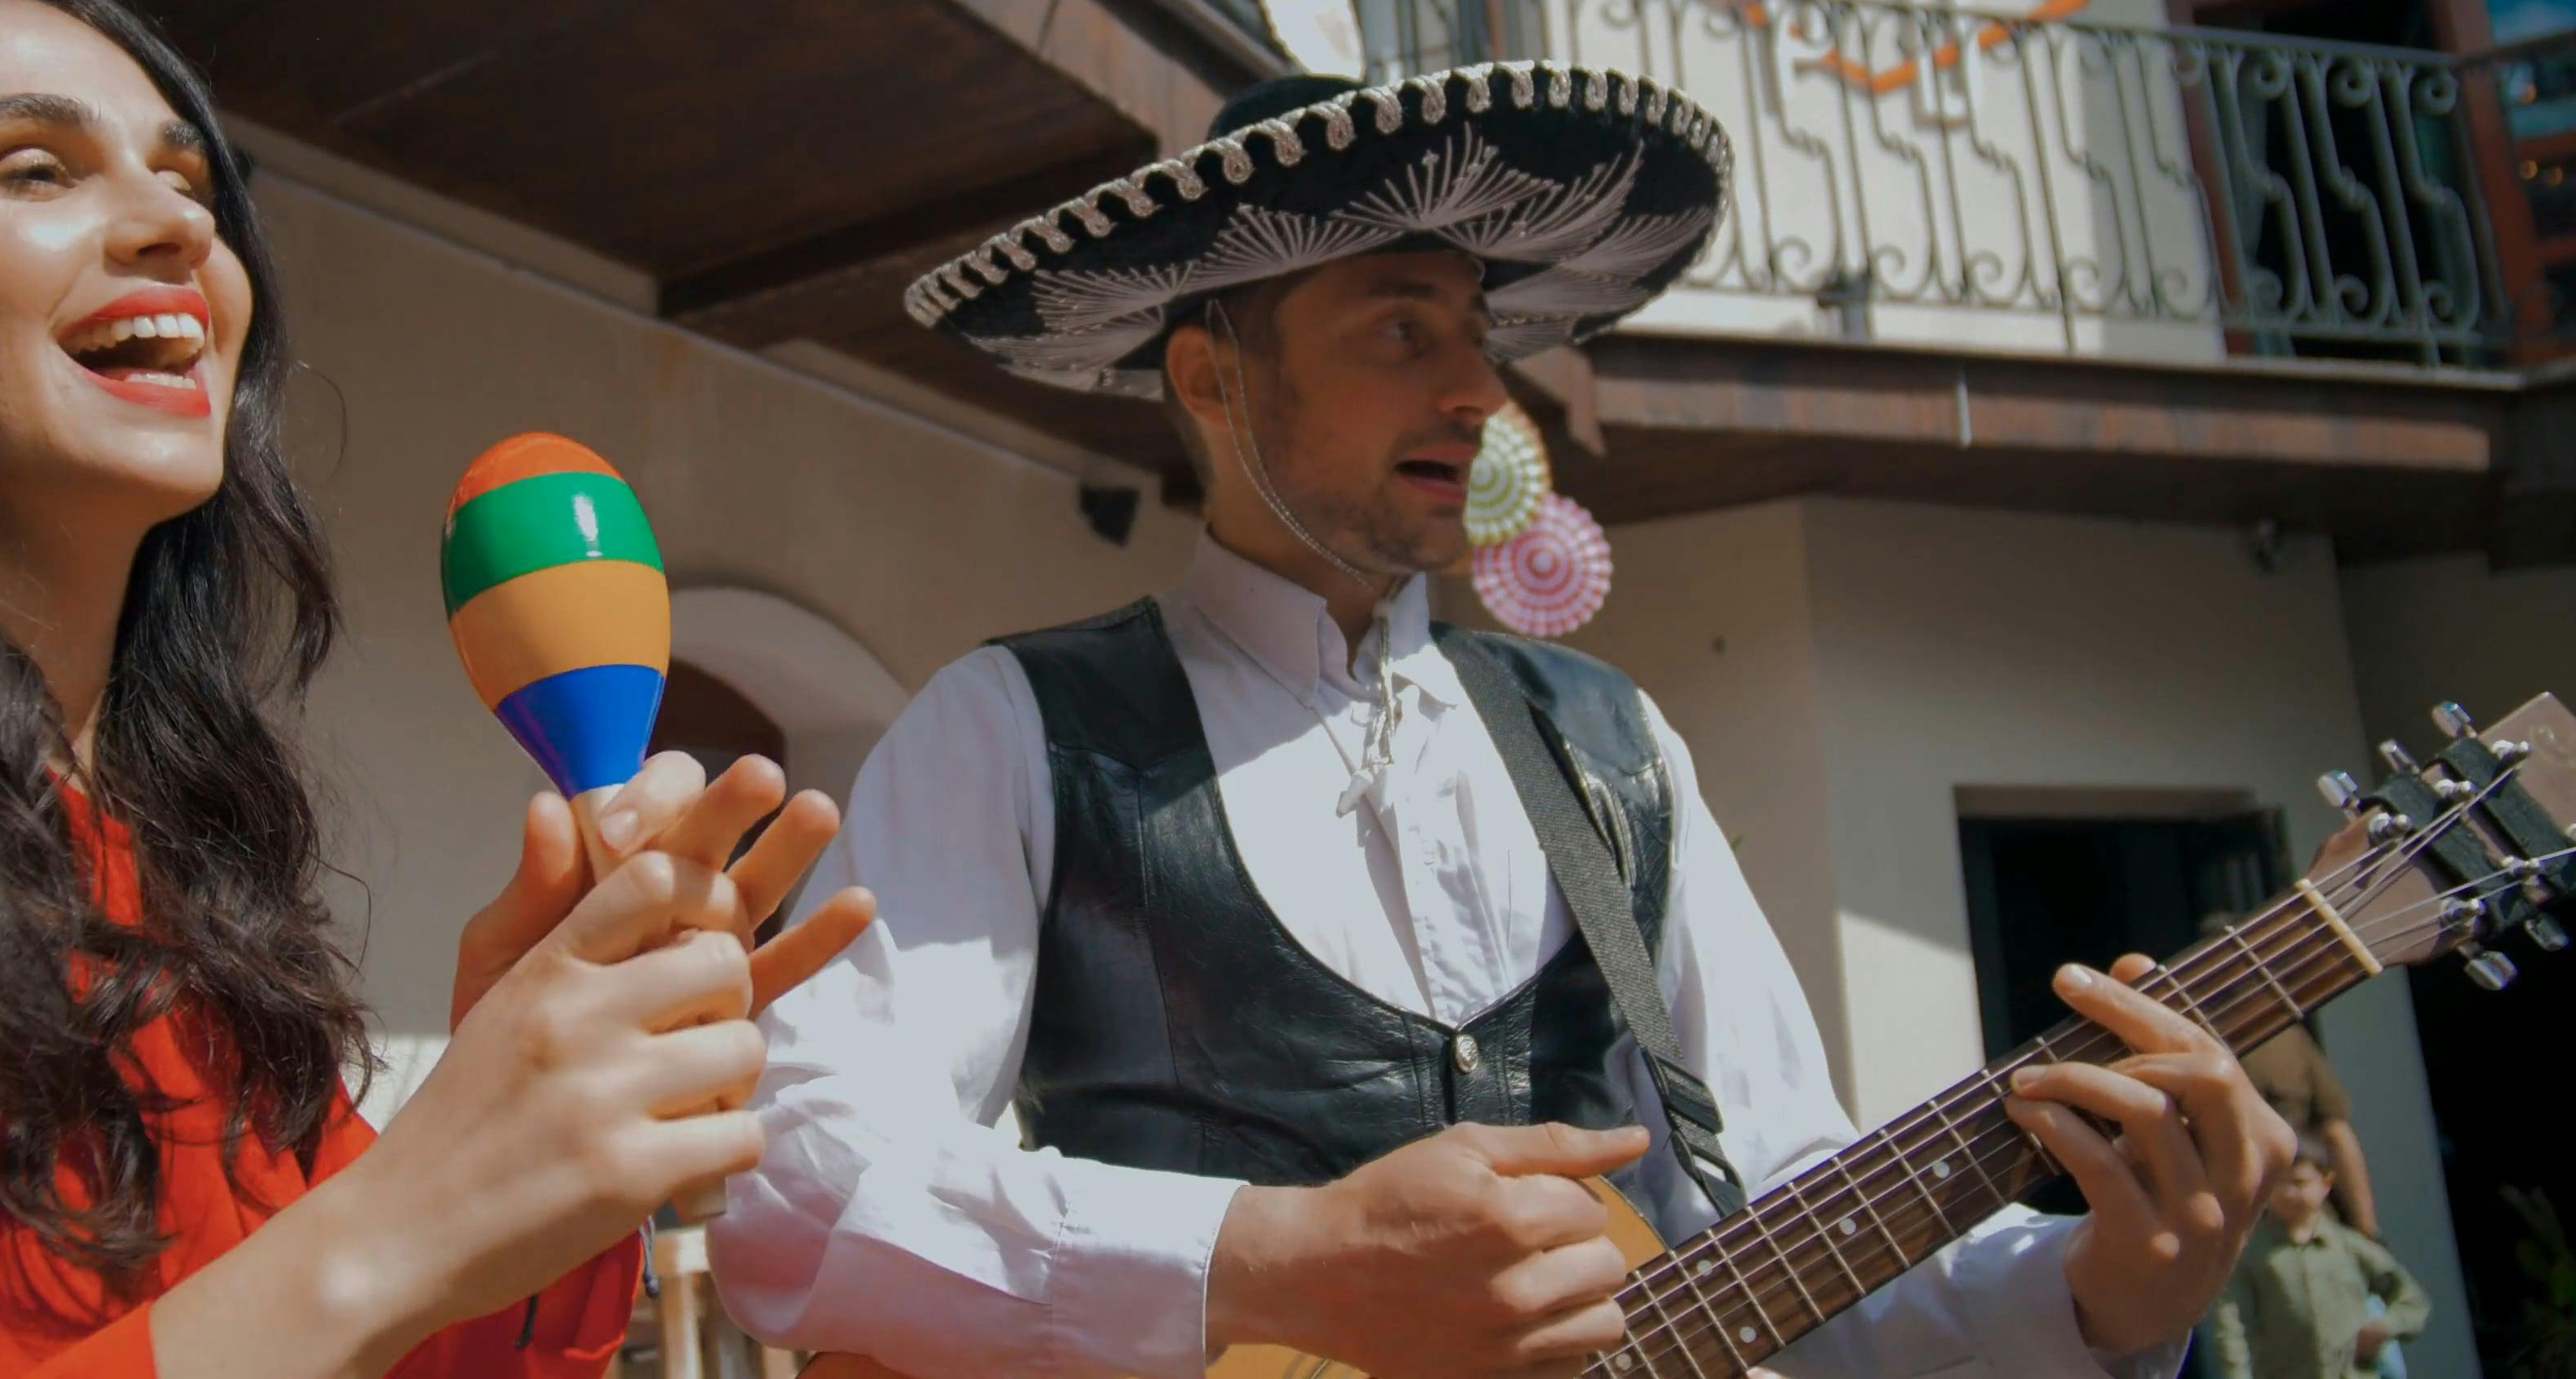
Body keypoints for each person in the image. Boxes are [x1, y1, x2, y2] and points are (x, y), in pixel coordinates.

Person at [709, 67, 2298, 1377]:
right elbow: (800, 1174)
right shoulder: (1014, 728)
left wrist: (2107, 1296)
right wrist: (1265, 1258)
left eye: (1483, 333)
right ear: (1209, 374)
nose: (1479, 389)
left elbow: (1796, 1237)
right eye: (1404, 328)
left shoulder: (1614, 741)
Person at [0, 0, 873, 1377]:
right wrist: (395, 1226)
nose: (173, 228)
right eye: (33, 169)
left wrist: (536, 1125)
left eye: (192, 187)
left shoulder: (168, 870)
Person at [2203, 916, 2384, 1242]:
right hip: (2231, 1228)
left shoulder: (2287, 1037)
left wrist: (2366, 1230)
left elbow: (2336, 1132)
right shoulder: (2191, 1039)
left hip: (2302, 1218)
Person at [2206, 1135, 2428, 1379]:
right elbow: (2231, 1328)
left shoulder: (2349, 1247)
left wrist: (2385, 1327)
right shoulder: (2251, 1255)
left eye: (2299, 1182)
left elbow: (2412, 1299)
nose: (2288, 1192)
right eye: (2279, 1183)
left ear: (2326, 1181)